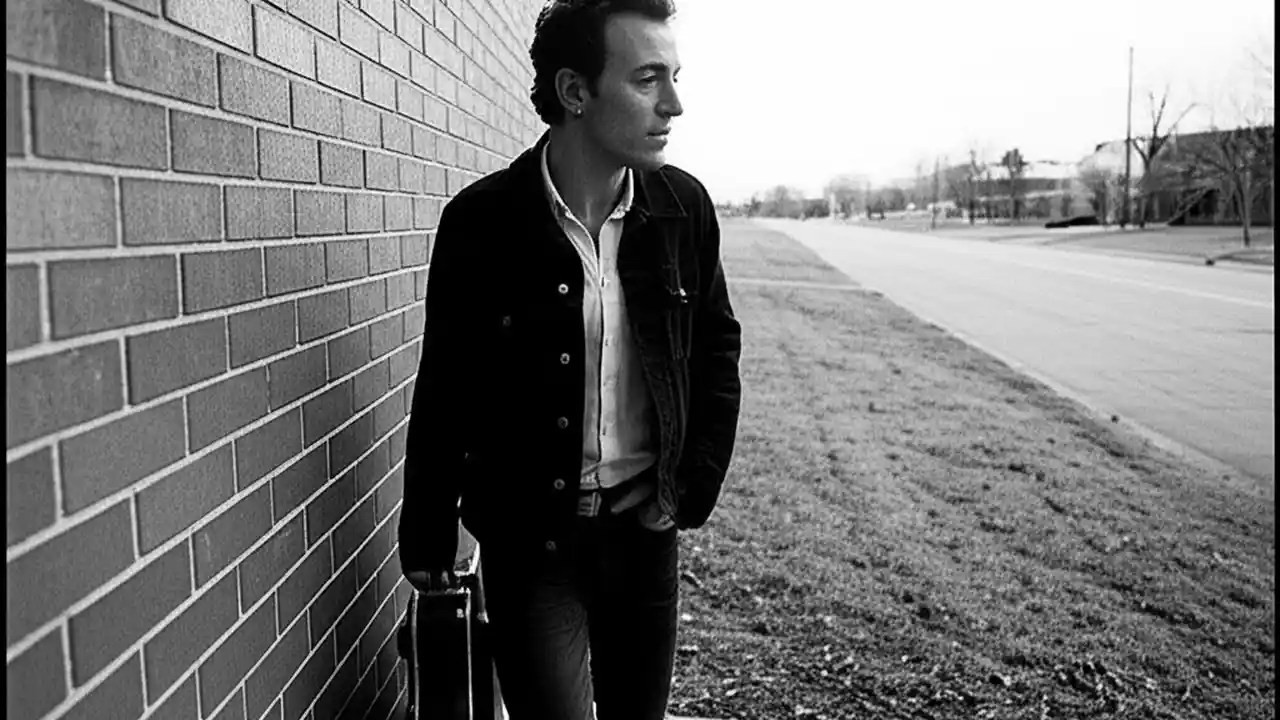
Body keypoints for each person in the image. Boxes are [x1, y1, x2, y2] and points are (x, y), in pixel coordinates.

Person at [397, 0, 742, 717]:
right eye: (648, 79)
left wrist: (688, 487)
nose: (674, 104)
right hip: (531, 550)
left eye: (674, 76)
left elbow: (716, 348)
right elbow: (446, 385)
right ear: (575, 91)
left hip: (642, 539)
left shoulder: (685, 209)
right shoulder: (482, 223)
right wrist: (428, 534)